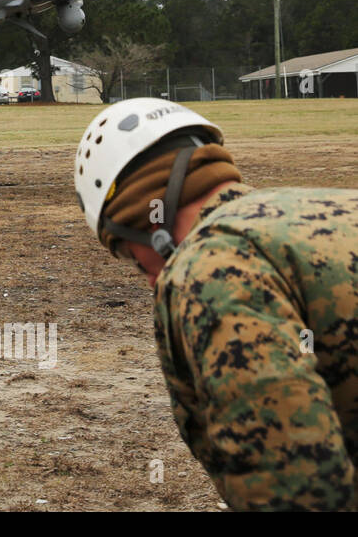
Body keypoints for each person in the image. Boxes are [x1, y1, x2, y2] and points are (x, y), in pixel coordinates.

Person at [75, 97, 358, 511]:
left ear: (146, 218)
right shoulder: (337, 208)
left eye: (131, 258)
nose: (151, 281)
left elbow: (292, 484)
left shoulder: (211, 267)